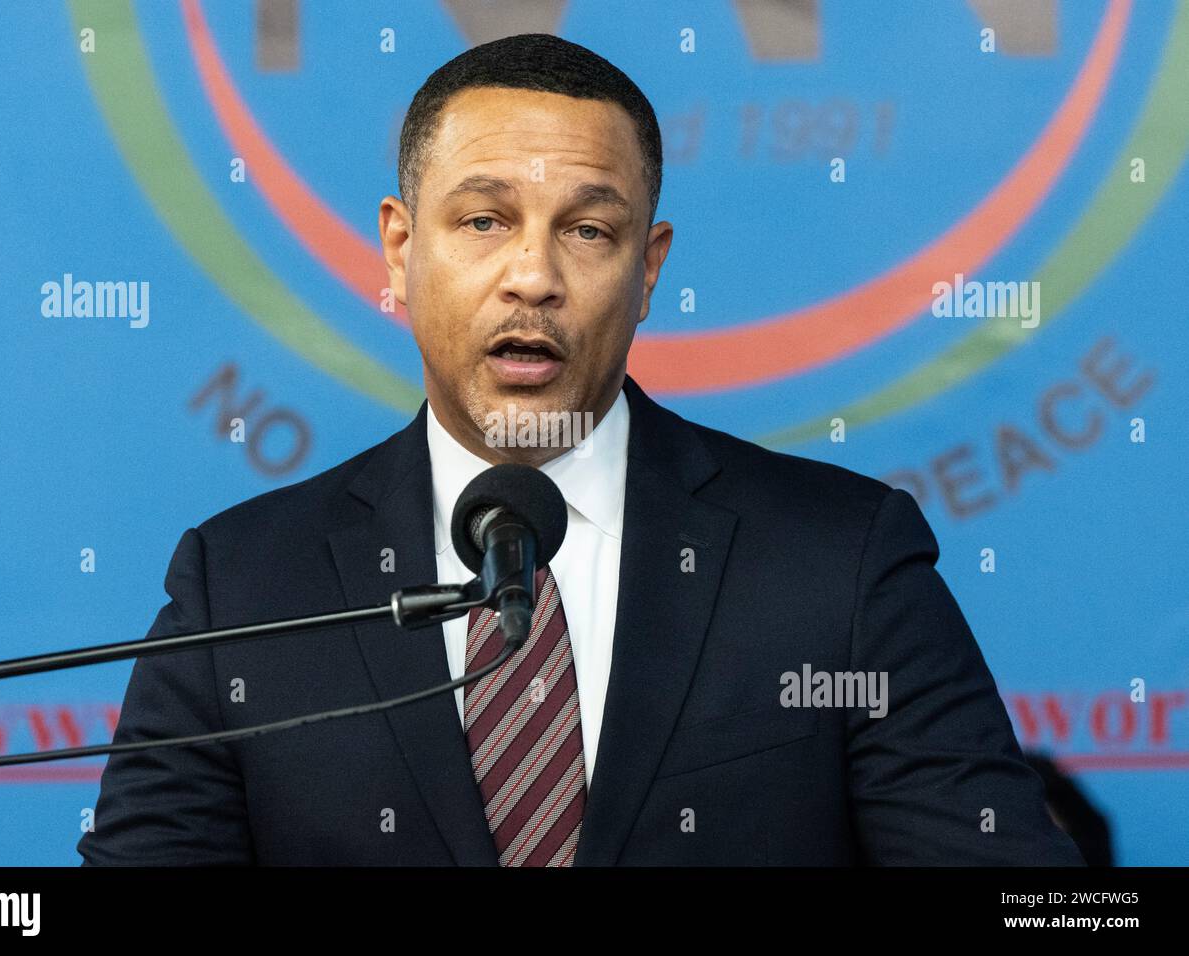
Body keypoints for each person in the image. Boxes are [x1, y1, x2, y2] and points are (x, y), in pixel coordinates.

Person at [79, 33, 1084, 866]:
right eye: (483, 220)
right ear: (398, 248)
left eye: (589, 232)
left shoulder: (839, 560)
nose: (533, 276)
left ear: (648, 270)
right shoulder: (244, 585)